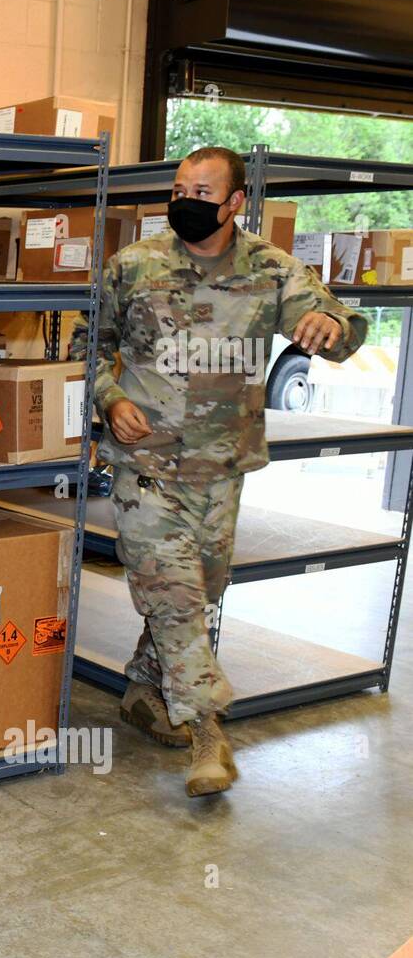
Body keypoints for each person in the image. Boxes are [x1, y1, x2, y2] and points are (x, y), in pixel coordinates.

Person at [70, 146, 365, 797]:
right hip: (143, 461)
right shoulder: (134, 265)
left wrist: (327, 325)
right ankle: (207, 731)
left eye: (203, 193)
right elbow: (86, 347)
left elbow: (342, 329)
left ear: (235, 204)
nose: (187, 201)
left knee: (199, 591)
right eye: (179, 188)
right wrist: (111, 400)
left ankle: (144, 688)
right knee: (174, 591)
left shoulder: (271, 269)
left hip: (222, 466)